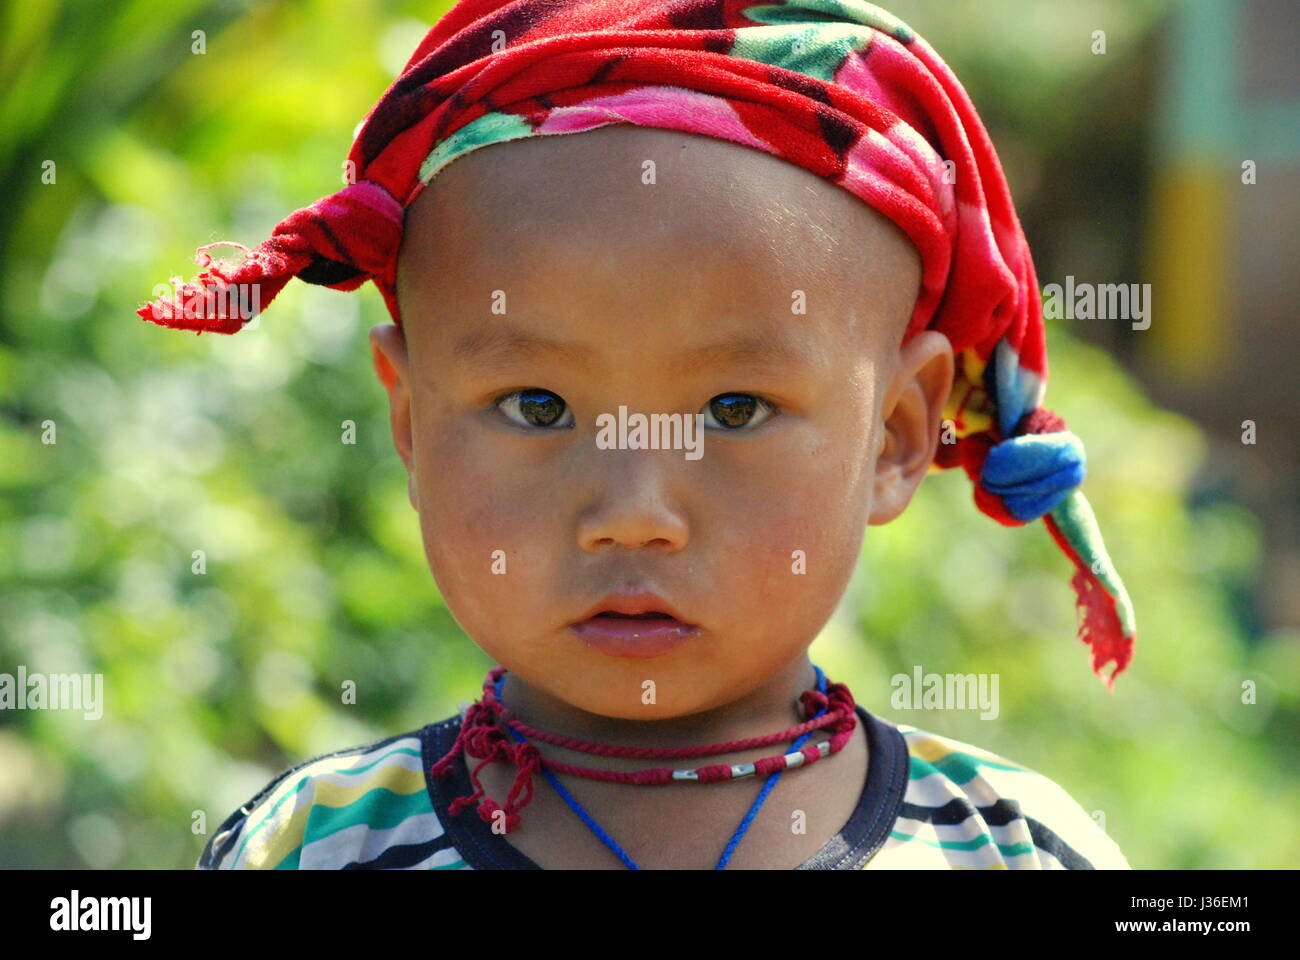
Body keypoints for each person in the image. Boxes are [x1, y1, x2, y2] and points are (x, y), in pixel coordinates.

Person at [141, 0, 1135, 870]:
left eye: (733, 411)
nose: (633, 516)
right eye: (538, 406)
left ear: (895, 435)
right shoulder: (312, 846)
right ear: (410, 419)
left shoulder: (1014, 846)